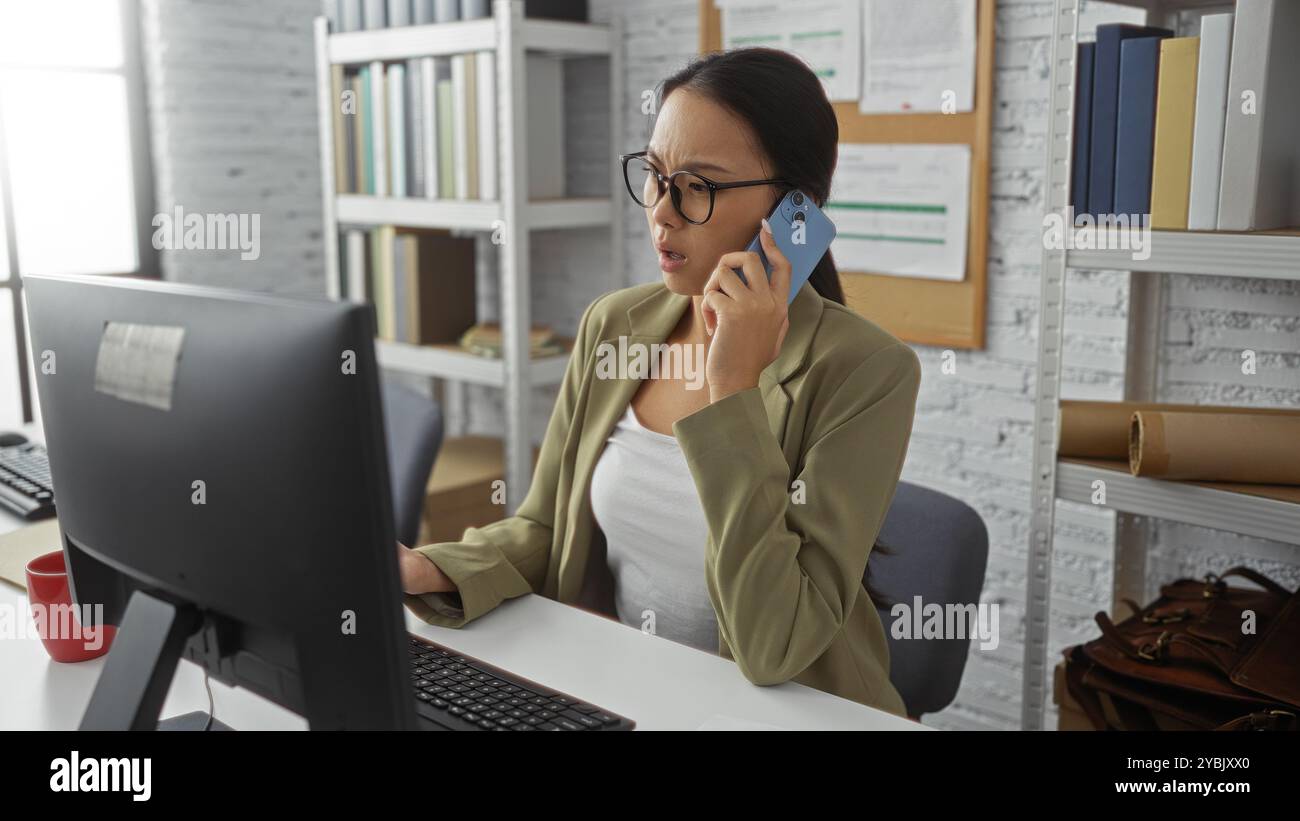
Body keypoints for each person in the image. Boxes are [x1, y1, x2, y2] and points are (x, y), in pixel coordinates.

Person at [398, 47, 920, 717]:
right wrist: (429, 567)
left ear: (794, 216)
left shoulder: (867, 372)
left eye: (698, 185)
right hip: (630, 697)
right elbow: (544, 528)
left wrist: (731, 386)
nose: (662, 212)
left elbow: (775, 643)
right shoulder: (614, 326)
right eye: (654, 174)